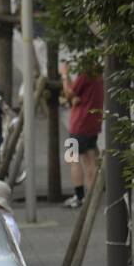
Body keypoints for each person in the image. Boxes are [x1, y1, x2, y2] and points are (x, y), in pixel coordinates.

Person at [59, 59, 103, 207]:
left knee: (73, 159)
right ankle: (91, 197)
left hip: (79, 125)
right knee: (90, 159)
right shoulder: (99, 75)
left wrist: (64, 75)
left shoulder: (85, 75)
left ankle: (79, 196)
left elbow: (68, 93)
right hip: (92, 124)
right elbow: (77, 94)